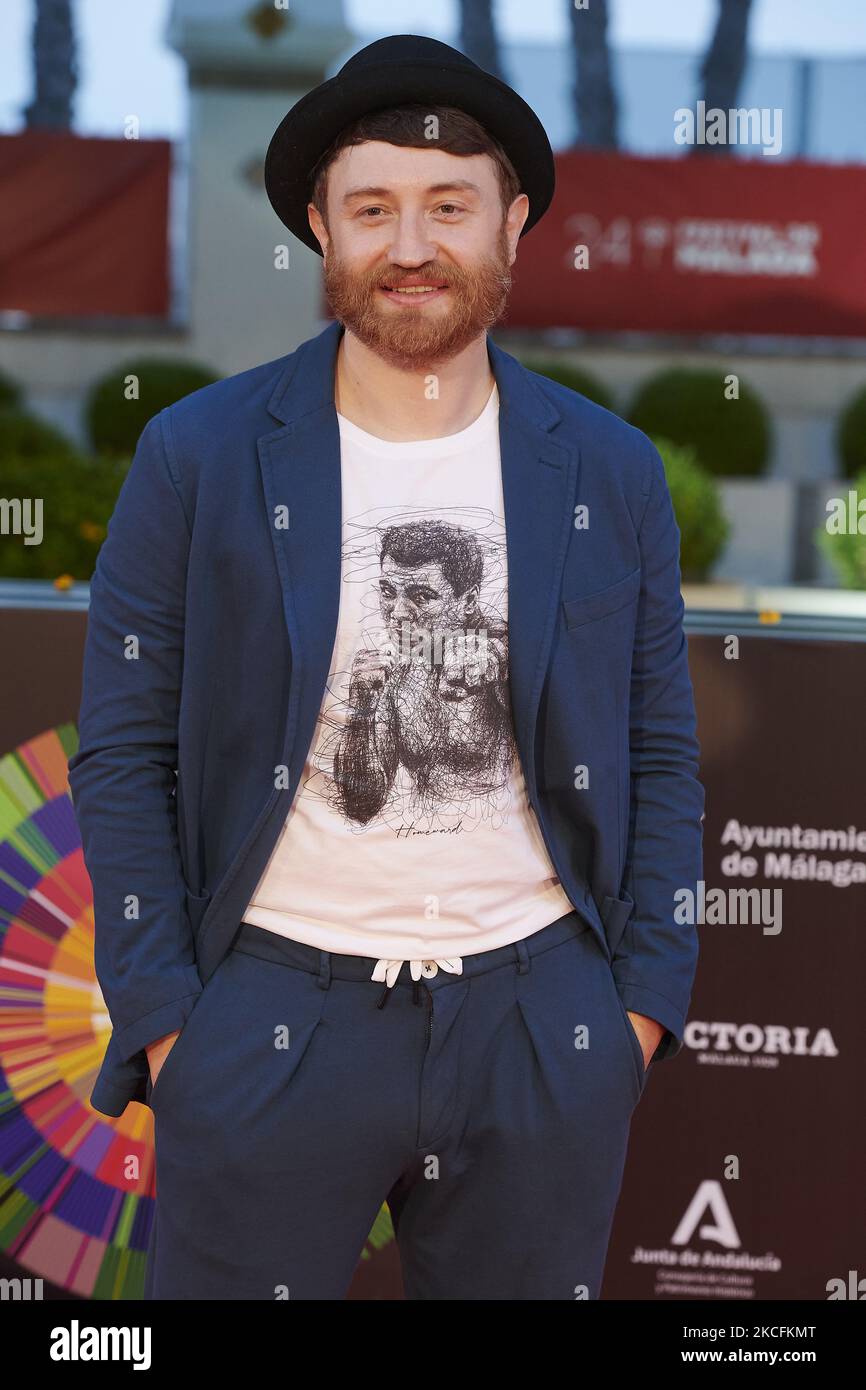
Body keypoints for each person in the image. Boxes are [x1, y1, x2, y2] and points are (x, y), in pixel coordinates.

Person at [68, 34, 704, 1301]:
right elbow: (125, 747)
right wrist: (173, 1026)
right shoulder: (197, 455)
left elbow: (657, 749)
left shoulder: (609, 470)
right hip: (268, 1021)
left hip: (540, 1023)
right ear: (320, 226)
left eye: (448, 207)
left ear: (511, 223)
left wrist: (633, 1015)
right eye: (371, 209)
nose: (410, 245)